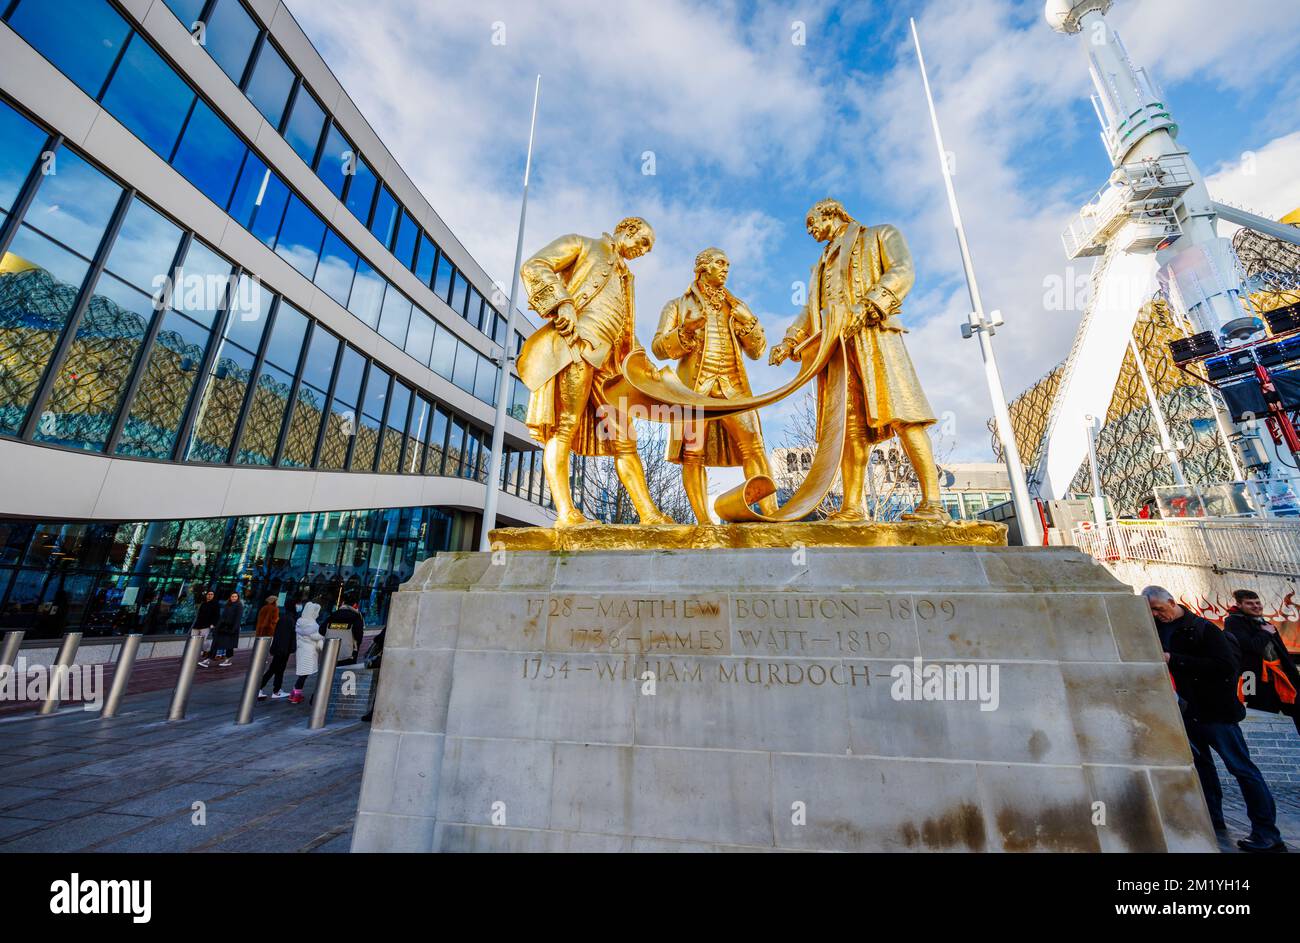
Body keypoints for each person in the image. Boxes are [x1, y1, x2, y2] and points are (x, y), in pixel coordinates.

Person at [769, 198, 943, 522]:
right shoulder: (818, 268)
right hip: (836, 351)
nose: (810, 231)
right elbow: (811, 310)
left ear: (831, 212)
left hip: (875, 336)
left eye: (812, 222)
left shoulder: (879, 235)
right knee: (849, 430)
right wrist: (790, 339)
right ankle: (852, 508)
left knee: (905, 414)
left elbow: (902, 270)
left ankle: (933, 502)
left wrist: (867, 307)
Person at [516, 216, 674, 527]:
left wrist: (644, 364)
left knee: (626, 441)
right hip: (578, 345)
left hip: (612, 365)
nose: (645, 251)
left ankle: (650, 515)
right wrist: (561, 304)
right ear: (627, 230)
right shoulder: (582, 243)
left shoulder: (627, 278)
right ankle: (566, 514)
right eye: (643, 242)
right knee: (565, 426)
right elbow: (534, 266)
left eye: (648, 248)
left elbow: (625, 329)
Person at [1143, 586, 1285, 853]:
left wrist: (1175, 659)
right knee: (1201, 769)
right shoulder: (1157, 629)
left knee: (1242, 769)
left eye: (1158, 609)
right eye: (1150, 611)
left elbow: (1225, 666)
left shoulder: (1203, 628)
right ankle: (1212, 819)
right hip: (1187, 712)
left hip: (1216, 713)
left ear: (1172, 603)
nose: (1155, 614)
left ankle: (1267, 833)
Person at [651, 247, 776, 522]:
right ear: (703, 267)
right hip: (694, 391)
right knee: (692, 455)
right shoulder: (677, 305)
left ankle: (773, 517)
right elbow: (659, 348)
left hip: (734, 389)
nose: (726, 268)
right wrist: (685, 331)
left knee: (754, 447)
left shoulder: (736, 305)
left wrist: (749, 321)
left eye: (728, 264)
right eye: (720, 263)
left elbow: (757, 351)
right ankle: (704, 523)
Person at [1225, 589, 1300, 734]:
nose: (1256, 606)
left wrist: (1294, 676)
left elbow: (1282, 653)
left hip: (1280, 677)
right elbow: (1251, 647)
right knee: (1257, 714)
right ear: (1239, 605)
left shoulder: (1265, 623)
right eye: (1249, 603)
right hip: (1251, 677)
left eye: (1257, 602)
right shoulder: (1233, 622)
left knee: (1295, 709)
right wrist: (1265, 632)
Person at [257, 602, 295, 700]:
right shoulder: (288, 619)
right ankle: (259, 688)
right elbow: (285, 637)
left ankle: (276, 690)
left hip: (282, 649)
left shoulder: (285, 618)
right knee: (274, 669)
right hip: (282, 650)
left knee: (279, 670)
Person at [289, 601, 323, 705]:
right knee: (304, 674)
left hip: (301, 650)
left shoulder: (300, 621)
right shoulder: (313, 625)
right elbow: (316, 637)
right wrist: (323, 637)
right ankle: (296, 695)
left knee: (302, 673)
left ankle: (294, 693)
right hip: (310, 651)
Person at [198, 591, 243, 668]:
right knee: (215, 643)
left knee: (228, 645)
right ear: (230, 597)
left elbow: (238, 619)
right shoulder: (227, 605)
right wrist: (217, 627)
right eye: (232, 596)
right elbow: (222, 617)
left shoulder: (239, 606)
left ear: (238, 597)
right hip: (222, 628)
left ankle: (228, 660)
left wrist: (233, 629)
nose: (234, 598)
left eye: (235, 596)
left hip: (231, 629)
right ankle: (208, 660)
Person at [323, 597, 365, 667]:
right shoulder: (356, 617)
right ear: (355, 605)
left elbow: (321, 630)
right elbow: (359, 635)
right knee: (345, 673)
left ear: (343, 604)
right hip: (348, 653)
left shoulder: (333, 615)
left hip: (331, 651)